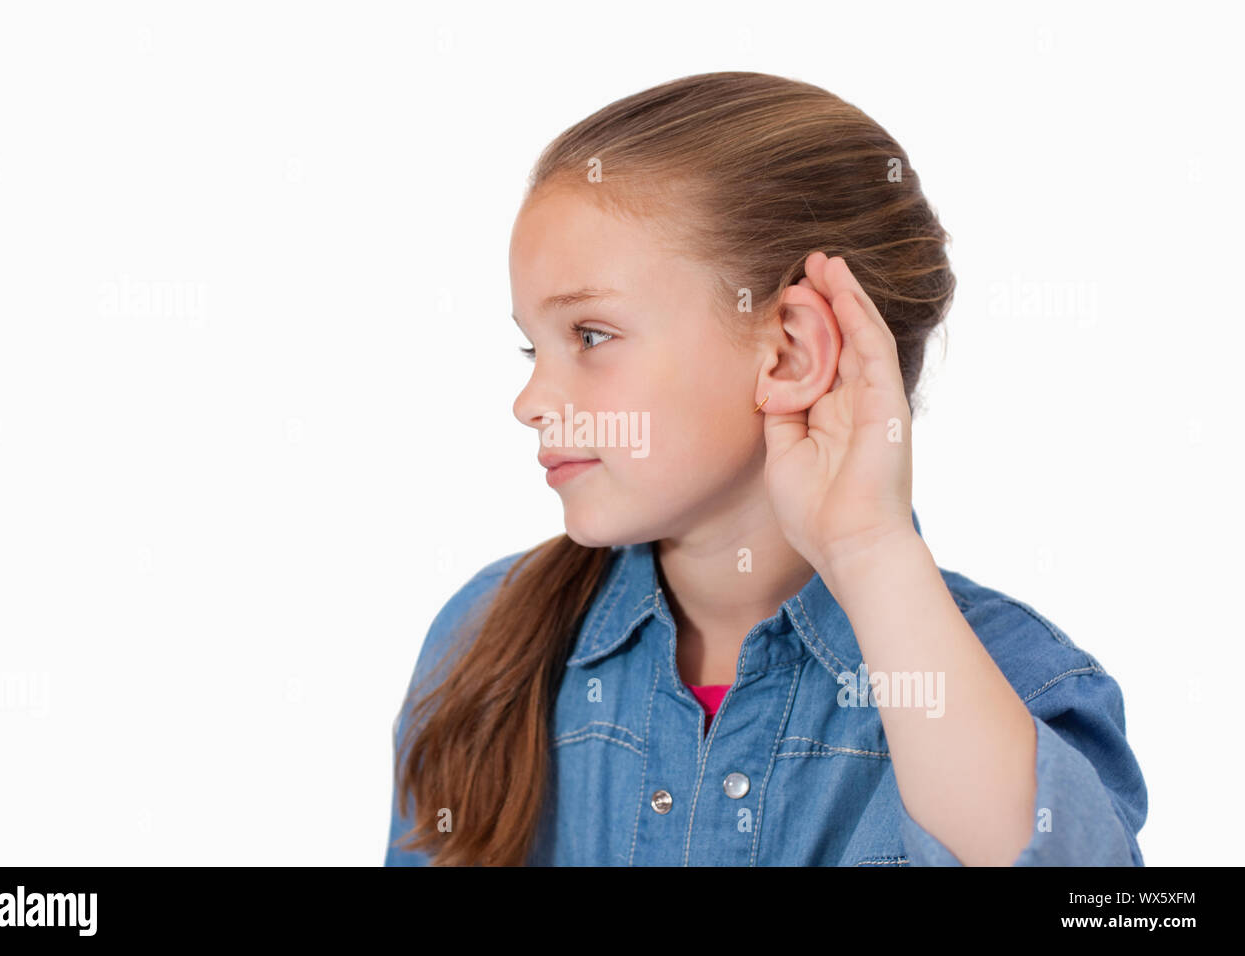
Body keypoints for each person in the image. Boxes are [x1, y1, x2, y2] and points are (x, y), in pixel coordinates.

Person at [385, 71, 1146, 866]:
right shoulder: (484, 642)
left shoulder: (1013, 686)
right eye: (530, 346)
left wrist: (868, 550)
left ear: (789, 351)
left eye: (591, 335)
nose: (531, 400)